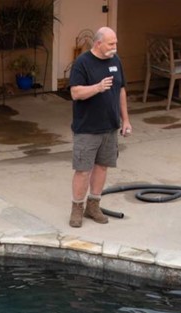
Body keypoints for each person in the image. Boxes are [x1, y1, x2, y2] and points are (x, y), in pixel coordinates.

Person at [68, 27, 132, 228]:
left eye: (116, 43)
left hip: (110, 126)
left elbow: (121, 90)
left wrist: (126, 120)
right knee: (83, 170)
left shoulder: (116, 61)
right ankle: (77, 208)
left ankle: (93, 205)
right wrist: (97, 87)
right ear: (98, 43)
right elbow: (75, 93)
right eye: (111, 44)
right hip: (87, 128)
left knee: (102, 166)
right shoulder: (82, 63)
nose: (115, 47)